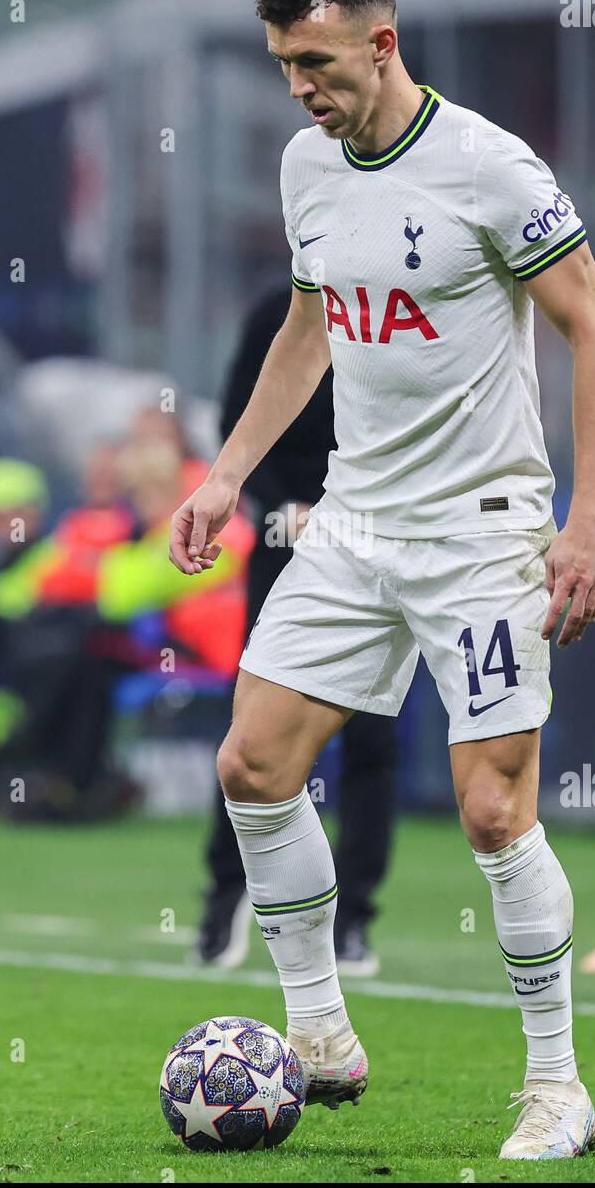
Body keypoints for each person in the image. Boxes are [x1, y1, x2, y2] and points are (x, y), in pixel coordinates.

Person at [169, 0, 595, 1160]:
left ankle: (556, 1088)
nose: (297, 87)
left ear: (380, 44)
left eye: (313, 61)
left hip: (480, 539)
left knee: (489, 810)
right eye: (281, 66)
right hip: (352, 522)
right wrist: (224, 474)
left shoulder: (488, 167)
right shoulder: (305, 165)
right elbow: (308, 331)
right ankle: (316, 1031)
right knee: (253, 766)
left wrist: (582, 520)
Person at [196, 285, 399, 976]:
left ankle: (356, 918)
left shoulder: (403, 312)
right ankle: (225, 897)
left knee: (372, 732)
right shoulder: (273, 314)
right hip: (289, 544)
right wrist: (287, 509)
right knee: (251, 734)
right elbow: (240, 426)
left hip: (382, 540)